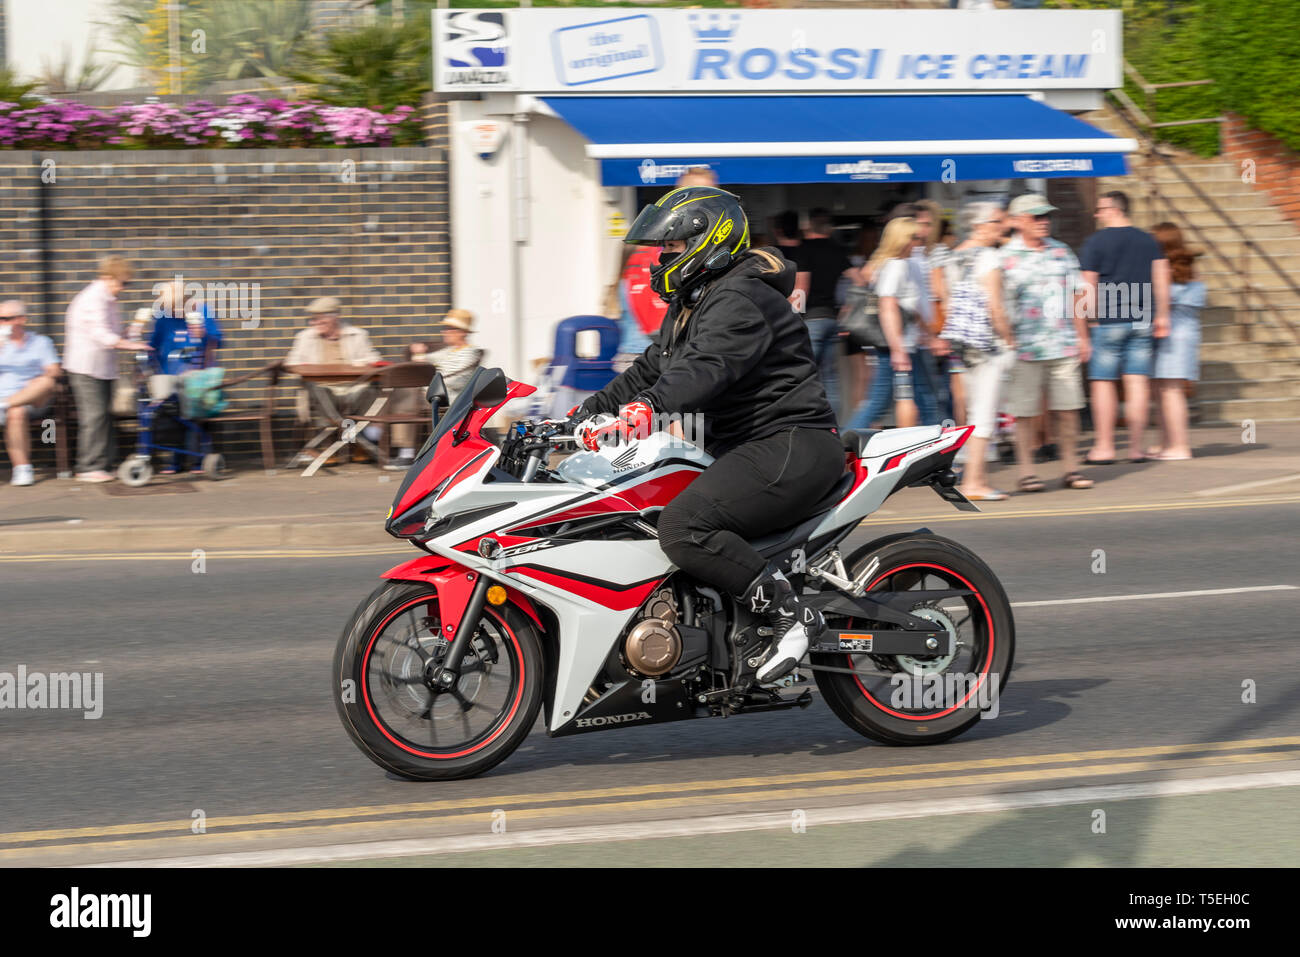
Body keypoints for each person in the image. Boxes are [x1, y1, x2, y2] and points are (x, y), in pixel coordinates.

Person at [571, 186, 841, 683]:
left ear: (706, 242)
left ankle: (790, 614)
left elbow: (705, 367)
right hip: (743, 448)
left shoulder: (741, 298)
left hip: (786, 443)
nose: (660, 259)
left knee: (683, 527)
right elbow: (651, 368)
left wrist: (646, 410)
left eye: (670, 248)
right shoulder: (693, 302)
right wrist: (579, 416)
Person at [991, 194, 1093, 492]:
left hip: (1063, 343)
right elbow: (997, 303)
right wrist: (1006, 338)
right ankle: (1026, 472)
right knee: (1024, 412)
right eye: (1037, 217)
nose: (1044, 221)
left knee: (1069, 408)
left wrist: (1083, 336)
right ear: (1019, 221)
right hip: (1024, 347)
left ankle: (1072, 469)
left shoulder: (1061, 251)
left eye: (1046, 216)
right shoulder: (1004, 257)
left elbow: (1077, 295)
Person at [1080, 190, 1171, 464]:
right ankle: (1135, 448)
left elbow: (1088, 287)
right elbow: (1161, 279)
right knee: (1137, 384)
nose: (1097, 214)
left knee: (1103, 383)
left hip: (1108, 322)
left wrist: (1086, 323)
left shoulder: (1094, 243)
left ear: (1114, 209)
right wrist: (1163, 316)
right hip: (1143, 318)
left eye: (1100, 209)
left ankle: (1105, 448)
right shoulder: (1148, 241)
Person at [939, 201, 1014, 501]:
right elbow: (995, 306)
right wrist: (1009, 339)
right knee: (983, 413)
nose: (1002, 227)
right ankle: (974, 482)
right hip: (988, 346)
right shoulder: (988, 259)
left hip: (961, 344)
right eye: (997, 222)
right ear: (980, 226)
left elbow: (945, 303)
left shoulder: (952, 258)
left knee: (971, 411)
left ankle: (974, 476)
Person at [844, 217, 940, 430]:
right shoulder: (896, 266)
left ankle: (936, 452)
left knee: (924, 399)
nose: (920, 239)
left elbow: (909, 309)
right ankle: (840, 449)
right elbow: (887, 308)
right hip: (896, 347)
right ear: (903, 240)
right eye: (915, 236)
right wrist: (898, 350)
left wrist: (927, 335)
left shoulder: (902, 265)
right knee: (881, 404)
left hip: (905, 345)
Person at [63, 255, 143, 483]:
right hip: (86, 367)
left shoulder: (108, 299)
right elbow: (101, 335)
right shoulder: (93, 299)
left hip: (102, 367)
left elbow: (113, 333)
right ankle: (87, 466)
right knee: (94, 416)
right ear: (108, 278)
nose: (124, 288)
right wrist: (129, 344)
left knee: (105, 416)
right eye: (122, 282)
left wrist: (131, 332)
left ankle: (105, 465)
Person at [284, 297, 381, 462]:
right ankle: (334, 445)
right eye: (312, 319)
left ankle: (358, 444)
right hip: (324, 388)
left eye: (318, 318)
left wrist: (359, 364)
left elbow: (374, 360)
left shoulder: (357, 335)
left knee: (371, 389)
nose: (313, 323)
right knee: (315, 388)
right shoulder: (304, 338)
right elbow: (291, 364)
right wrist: (307, 368)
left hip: (353, 388)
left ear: (334, 317)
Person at [388, 309, 485, 470]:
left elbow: (458, 381)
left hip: (449, 397)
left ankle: (404, 453)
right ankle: (387, 441)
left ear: (462, 333)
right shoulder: (448, 351)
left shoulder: (470, 353)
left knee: (405, 394)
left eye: (449, 329)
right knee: (400, 392)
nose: (444, 332)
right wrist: (419, 352)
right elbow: (424, 361)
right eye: (445, 328)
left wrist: (427, 385)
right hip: (434, 392)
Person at [149, 281, 224, 473]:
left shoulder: (202, 310)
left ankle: (201, 461)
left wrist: (204, 333)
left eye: (175, 306)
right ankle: (176, 461)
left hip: (198, 376)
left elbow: (218, 340)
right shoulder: (163, 317)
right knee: (174, 416)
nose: (173, 310)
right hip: (171, 375)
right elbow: (153, 345)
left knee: (197, 417)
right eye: (169, 307)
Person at [1147, 222, 1204, 460]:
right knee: (1161, 391)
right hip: (1179, 333)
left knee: (1171, 391)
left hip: (1175, 336)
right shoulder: (1190, 268)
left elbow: (1167, 301)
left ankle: (1180, 446)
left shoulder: (1167, 270)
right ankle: (1165, 443)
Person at [792, 207, 852, 421]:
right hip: (832, 320)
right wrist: (846, 310)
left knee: (802, 377)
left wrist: (791, 317)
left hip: (811, 321)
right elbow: (857, 279)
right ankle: (834, 429)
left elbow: (802, 288)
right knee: (831, 380)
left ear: (808, 225)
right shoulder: (838, 249)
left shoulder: (804, 249)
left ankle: (804, 426)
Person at [0, 300, 61, 486]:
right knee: (16, 411)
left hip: (34, 398)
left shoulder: (40, 342)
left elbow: (55, 371)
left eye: (7, 318)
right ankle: (22, 468)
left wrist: (42, 375)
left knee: (46, 382)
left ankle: (6, 403)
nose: (3, 323)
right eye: (0, 319)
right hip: (8, 400)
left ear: (21, 319)